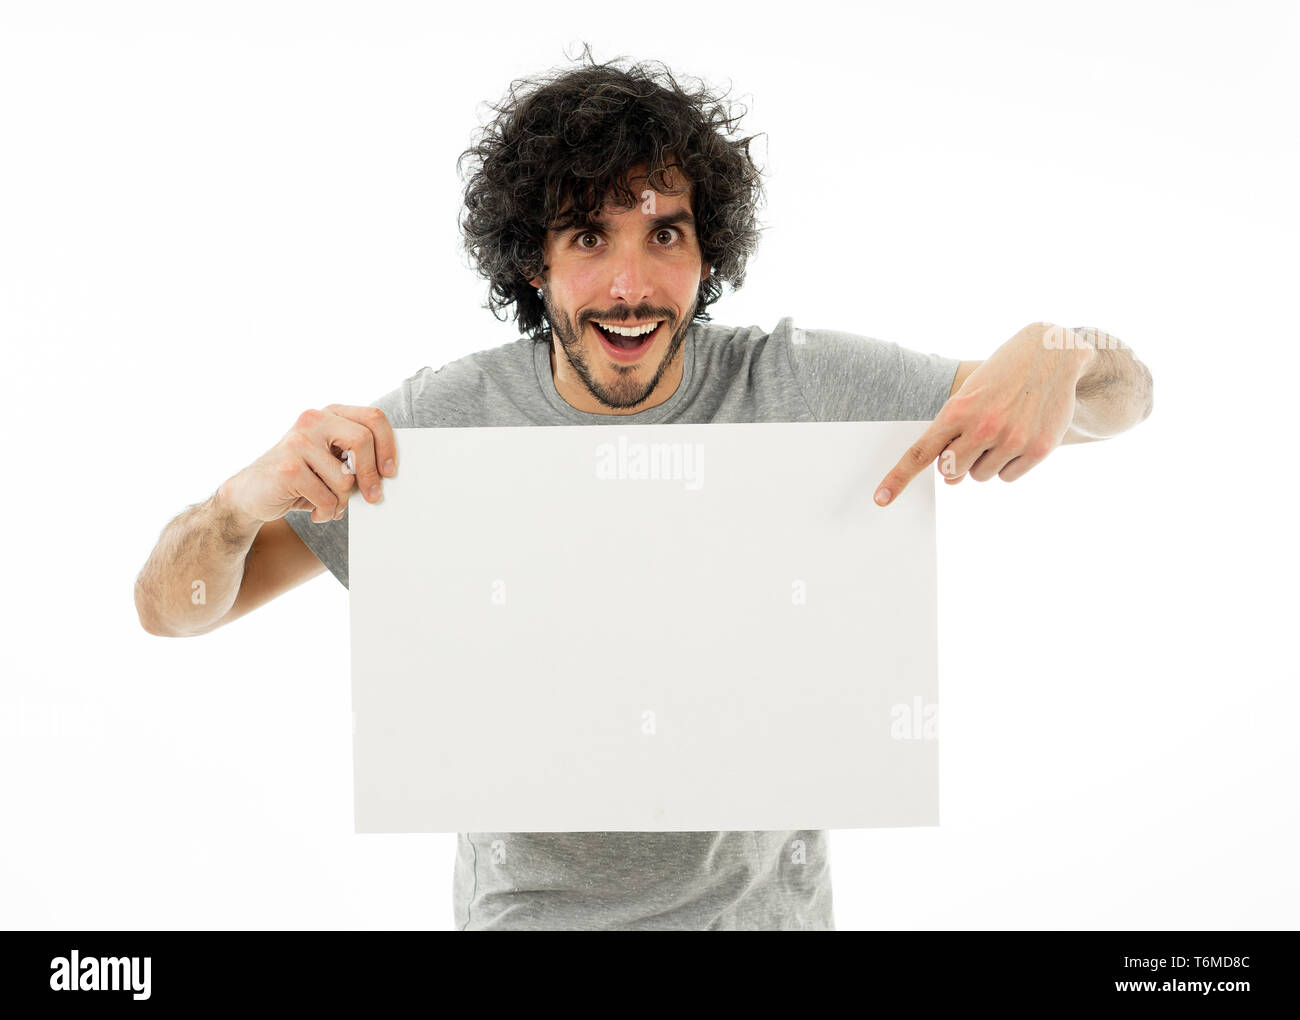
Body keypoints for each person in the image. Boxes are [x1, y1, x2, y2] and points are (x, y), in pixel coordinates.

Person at [134, 46, 1153, 931]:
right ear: (533, 265)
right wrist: (234, 507)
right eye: (588, 236)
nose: (629, 284)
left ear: (709, 256)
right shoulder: (441, 427)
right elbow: (171, 615)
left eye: (664, 233)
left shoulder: (800, 387)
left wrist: (1057, 350)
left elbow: (1124, 403)